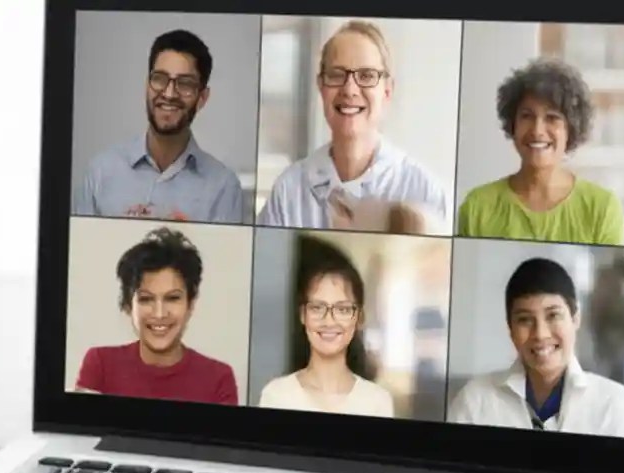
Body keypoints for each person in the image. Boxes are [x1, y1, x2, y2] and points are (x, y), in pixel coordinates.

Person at [257, 20, 447, 232]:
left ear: (387, 91)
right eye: (337, 75)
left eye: (366, 76)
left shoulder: (426, 193)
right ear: (321, 86)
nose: (349, 90)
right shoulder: (288, 192)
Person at [447, 257, 624, 437]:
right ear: (510, 329)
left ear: (575, 319)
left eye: (553, 315)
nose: (540, 334)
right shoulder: (475, 400)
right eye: (525, 320)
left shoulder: (613, 404)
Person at [73, 30, 246, 224]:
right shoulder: (100, 172)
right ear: (147, 85)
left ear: (202, 98)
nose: (169, 94)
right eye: (160, 79)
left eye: (185, 84)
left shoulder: (223, 188)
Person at [456, 58, 624, 245]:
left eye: (552, 118)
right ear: (513, 124)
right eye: (527, 116)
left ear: (571, 129)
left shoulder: (601, 208)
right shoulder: (477, 207)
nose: (537, 130)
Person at [75, 226, 239, 404]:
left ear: (190, 304)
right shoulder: (100, 365)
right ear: (129, 305)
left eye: (172, 298)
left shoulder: (218, 380)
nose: (159, 314)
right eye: (146, 299)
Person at [259, 238, 394, 417]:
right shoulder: (276, 395)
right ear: (302, 315)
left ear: (359, 318)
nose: (329, 321)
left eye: (343, 309)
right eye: (317, 308)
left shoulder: (378, 401)